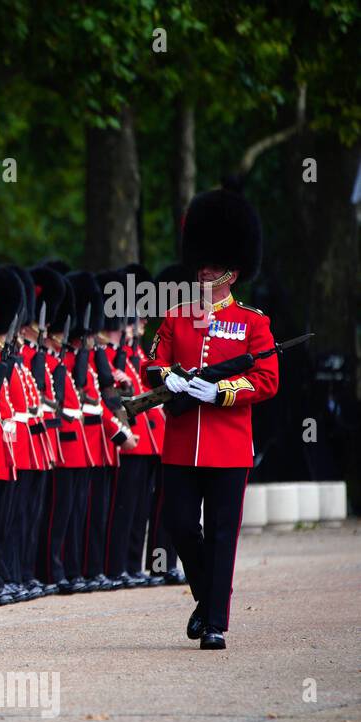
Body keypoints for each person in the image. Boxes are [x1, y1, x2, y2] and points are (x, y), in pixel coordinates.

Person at [149, 187, 278, 651]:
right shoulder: (177, 317)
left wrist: (220, 391)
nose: (201, 271)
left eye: (210, 265)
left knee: (223, 533)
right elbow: (156, 361)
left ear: (232, 269)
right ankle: (207, 600)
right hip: (183, 442)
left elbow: (266, 379)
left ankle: (216, 623)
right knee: (180, 523)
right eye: (199, 263)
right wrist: (174, 380)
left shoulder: (252, 323)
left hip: (227, 445)